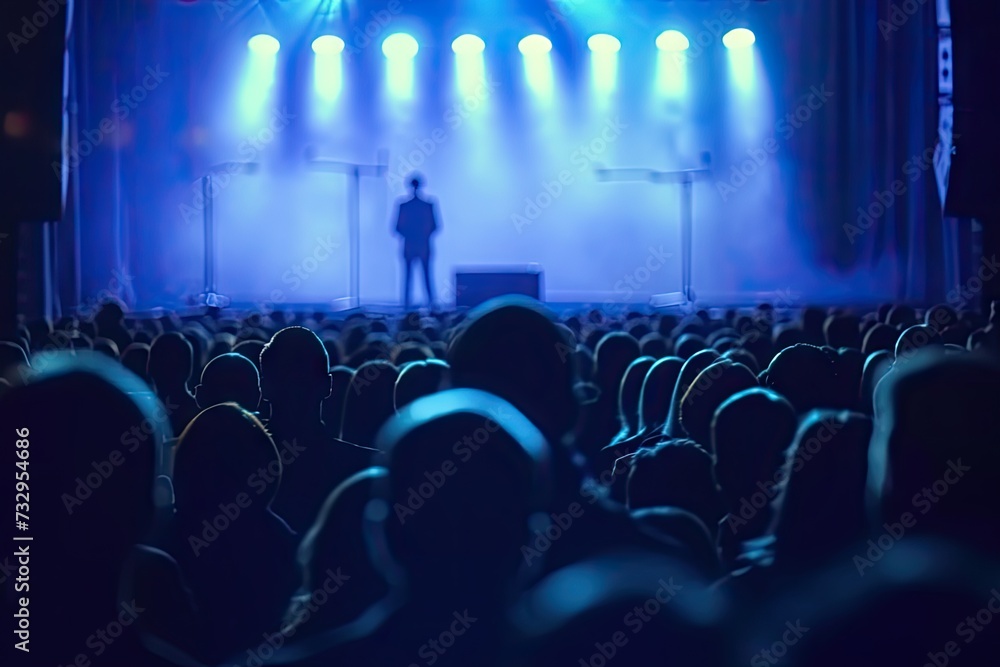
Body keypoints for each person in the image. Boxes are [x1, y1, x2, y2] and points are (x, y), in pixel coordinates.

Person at [393, 173, 439, 309]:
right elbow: (435, 226)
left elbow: (397, 227)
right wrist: (421, 235)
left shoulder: (406, 206)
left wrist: (411, 235)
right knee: (422, 276)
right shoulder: (426, 205)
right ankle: (428, 304)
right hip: (421, 245)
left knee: (413, 276)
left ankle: (410, 305)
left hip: (412, 245)